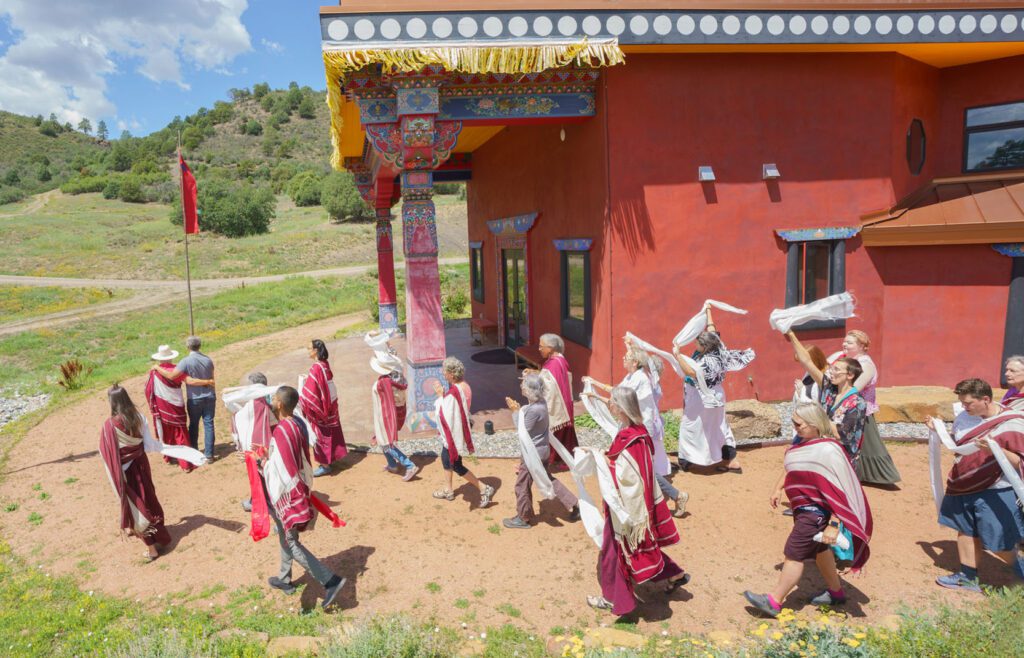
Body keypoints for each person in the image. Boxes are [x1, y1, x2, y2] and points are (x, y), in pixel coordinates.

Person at [744, 402, 872, 618]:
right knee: (820, 552)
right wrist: (778, 488)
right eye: (793, 423)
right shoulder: (801, 447)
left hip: (815, 514)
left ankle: (774, 601)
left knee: (793, 553)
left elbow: (841, 491)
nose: (795, 427)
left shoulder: (829, 450)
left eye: (799, 424)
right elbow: (793, 469)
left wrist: (834, 523)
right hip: (804, 511)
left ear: (815, 424)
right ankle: (836, 592)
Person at [586, 386, 689, 615]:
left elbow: (624, 474)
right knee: (642, 546)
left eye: (612, 402)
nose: (609, 405)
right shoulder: (639, 432)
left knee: (614, 551)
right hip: (643, 503)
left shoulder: (627, 437)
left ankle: (614, 599)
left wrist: (598, 459)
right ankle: (673, 573)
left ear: (621, 408)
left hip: (627, 506)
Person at [256, 386, 346, 608]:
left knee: (291, 541)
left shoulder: (281, 431)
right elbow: (294, 457)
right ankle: (284, 578)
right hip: (300, 487)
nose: (272, 399)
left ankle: (330, 581)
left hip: (288, 494)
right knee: (286, 537)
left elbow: (283, 469)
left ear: (279, 404)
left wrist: (264, 464)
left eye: (274, 397)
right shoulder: (297, 423)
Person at [931, 378, 1024, 592]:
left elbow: (1020, 461)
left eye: (968, 404)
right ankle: (968, 577)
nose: (964, 408)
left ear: (985, 399)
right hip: (963, 483)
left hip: (996, 489)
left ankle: (1021, 572)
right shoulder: (965, 417)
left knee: (1000, 541)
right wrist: (937, 430)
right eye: (962, 403)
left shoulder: (1013, 422)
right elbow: (958, 445)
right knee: (965, 530)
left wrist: (996, 451)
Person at [585, 343, 689, 517]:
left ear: (634, 362)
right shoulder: (632, 376)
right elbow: (617, 396)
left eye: (626, 358)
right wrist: (595, 393)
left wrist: (596, 395)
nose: (623, 360)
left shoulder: (640, 379)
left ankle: (676, 495)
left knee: (641, 467)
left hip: (638, 431)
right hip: (633, 427)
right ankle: (671, 495)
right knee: (641, 467)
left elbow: (620, 402)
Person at [673, 307, 753, 473]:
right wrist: (708, 309)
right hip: (717, 394)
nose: (695, 345)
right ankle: (731, 460)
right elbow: (712, 329)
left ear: (705, 346)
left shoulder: (708, 361)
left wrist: (677, 355)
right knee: (720, 426)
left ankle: (687, 461)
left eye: (698, 343)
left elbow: (691, 373)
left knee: (691, 426)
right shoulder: (719, 348)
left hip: (702, 397)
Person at [100, 385, 172, 562]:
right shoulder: (139, 417)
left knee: (137, 505)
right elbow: (147, 445)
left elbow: (109, 452)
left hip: (125, 471)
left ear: (112, 402)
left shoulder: (110, 425)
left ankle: (152, 549)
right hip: (141, 464)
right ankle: (143, 530)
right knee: (148, 497)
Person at [502, 373, 580, 529]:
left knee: (521, 485)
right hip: (542, 451)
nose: (521, 386)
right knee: (548, 479)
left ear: (531, 390)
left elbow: (522, 429)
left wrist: (515, 411)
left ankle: (523, 518)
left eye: (524, 384)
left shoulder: (533, 410)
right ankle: (574, 504)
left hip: (533, 454)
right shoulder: (541, 403)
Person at [829, 330, 901, 485]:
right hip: (848, 409)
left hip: (861, 410)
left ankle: (881, 476)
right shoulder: (845, 359)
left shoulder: (866, 364)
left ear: (861, 345)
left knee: (868, 443)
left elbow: (856, 387)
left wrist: (838, 403)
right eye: (844, 341)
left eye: (849, 342)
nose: (844, 345)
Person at [787, 331, 867, 464]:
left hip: (840, 460)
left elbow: (842, 434)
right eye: (832, 368)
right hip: (821, 450)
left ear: (850, 375)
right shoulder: (829, 390)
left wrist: (814, 418)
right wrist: (790, 333)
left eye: (836, 370)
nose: (831, 372)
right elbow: (807, 361)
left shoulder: (857, 403)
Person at [431, 357, 495, 508]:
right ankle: (448, 490)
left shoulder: (455, 391)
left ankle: (484, 488)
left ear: (452, 374)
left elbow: (446, 414)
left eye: (445, 371)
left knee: (455, 464)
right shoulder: (464, 386)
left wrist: (440, 396)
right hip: (459, 428)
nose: (443, 373)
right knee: (446, 458)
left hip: (454, 431)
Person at [146, 344, 209, 472]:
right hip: (176, 403)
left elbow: (148, 390)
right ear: (171, 357)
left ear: (159, 358)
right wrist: (207, 381)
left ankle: (170, 456)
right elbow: (189, 381)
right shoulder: (176, 369)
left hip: (162, 405)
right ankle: (185, 463)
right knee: (180, 432)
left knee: (167, 431)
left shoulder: (154, 372)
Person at [300, 339, 348, 477]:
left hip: (322, 410)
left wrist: (303, 392)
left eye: (309, 348)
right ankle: (333, 457)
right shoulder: (324, 365)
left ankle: (325, 465)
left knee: (321, 434)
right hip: (331, 406)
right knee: (332, 431)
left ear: (315, 351)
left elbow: (311, 394)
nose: (307, 351)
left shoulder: (316, 368)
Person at [369, 346, 417, 482]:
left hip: (386, 415)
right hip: (397, 412)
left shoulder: (383, 382)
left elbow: (384, 403)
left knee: (386, 442)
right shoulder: (398, 377)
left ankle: (409, 465)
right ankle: (392, 465)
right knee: (381, 439)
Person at [233, 372, 277, 513]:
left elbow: (238, 419)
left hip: (257, 447)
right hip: (265, 445)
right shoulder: (266, 402)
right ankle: (256, 500)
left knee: (260, 477)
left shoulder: (254, 404)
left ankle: (263, 504)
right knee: (261, 476)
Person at [534, 333, 580, 470]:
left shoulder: (554, 363)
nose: (539, 349)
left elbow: (550, 387)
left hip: (557, 405)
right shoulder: (558, 359)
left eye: (541, 346)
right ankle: (562, 458)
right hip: (564, 402)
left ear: (551, 348)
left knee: (549, 433)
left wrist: (534, 383)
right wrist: (535, 373)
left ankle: (547, 461)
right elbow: (550, 379)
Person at [173, 336, 218, 461]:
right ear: (200, 346)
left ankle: (194, 451)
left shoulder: (185, 361)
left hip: (194, 398)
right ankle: (209, 454)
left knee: (193, 425)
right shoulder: (208, 360)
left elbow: (174, 375)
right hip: (209, 396)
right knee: (209, 424)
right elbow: (212, 378)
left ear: (188, 347)